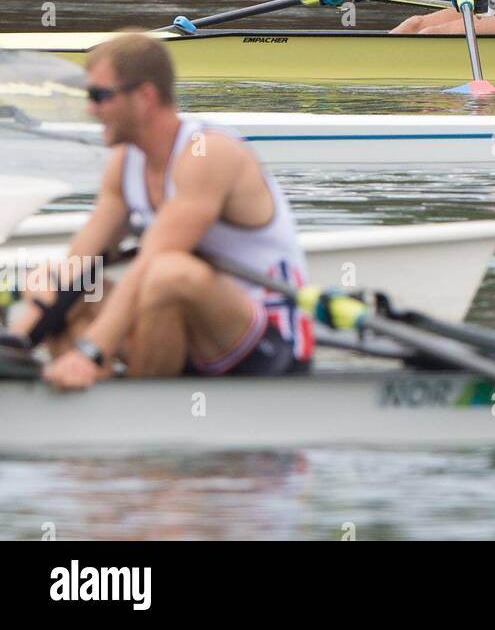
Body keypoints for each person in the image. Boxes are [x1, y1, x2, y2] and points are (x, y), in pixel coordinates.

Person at [20, 33, 312, 390]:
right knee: (58, 276)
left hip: (269, 344)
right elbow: (80, 263)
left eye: (100, 96)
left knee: (168, 273)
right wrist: (17, 340)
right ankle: (78, 393)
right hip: (187, 336)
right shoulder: (126, 162)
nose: (90, 109)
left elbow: (152, 263)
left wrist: (89, 350)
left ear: (144, 97)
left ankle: (104, 380)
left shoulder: (208, 154)